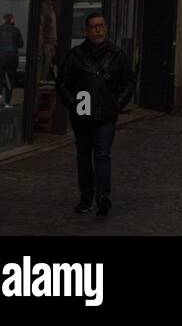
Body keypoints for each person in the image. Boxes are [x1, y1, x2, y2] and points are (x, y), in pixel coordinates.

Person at [55, 11, 136, 218]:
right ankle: (86, 197)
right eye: (94, 26)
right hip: (82, 114)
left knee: (102, 155)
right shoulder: (75, 55)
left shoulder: (117, 55)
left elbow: (129, 81)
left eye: (101, 26)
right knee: (83, 157)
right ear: (87, 30)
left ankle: (102, 197)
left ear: (106, 28)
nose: (98, 30)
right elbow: (62, 83)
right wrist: (74, 105)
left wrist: (117, 105)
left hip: (106, 115)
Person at [0, 13, 23, 107]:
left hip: (1, 55)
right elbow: (21, 44)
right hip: (12, 56)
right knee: (10, 78)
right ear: (12, 20)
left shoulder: (0, 29)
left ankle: (0, 94)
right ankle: (7, 102)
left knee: (0, 75)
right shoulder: (16, 30)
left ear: (4, 20)